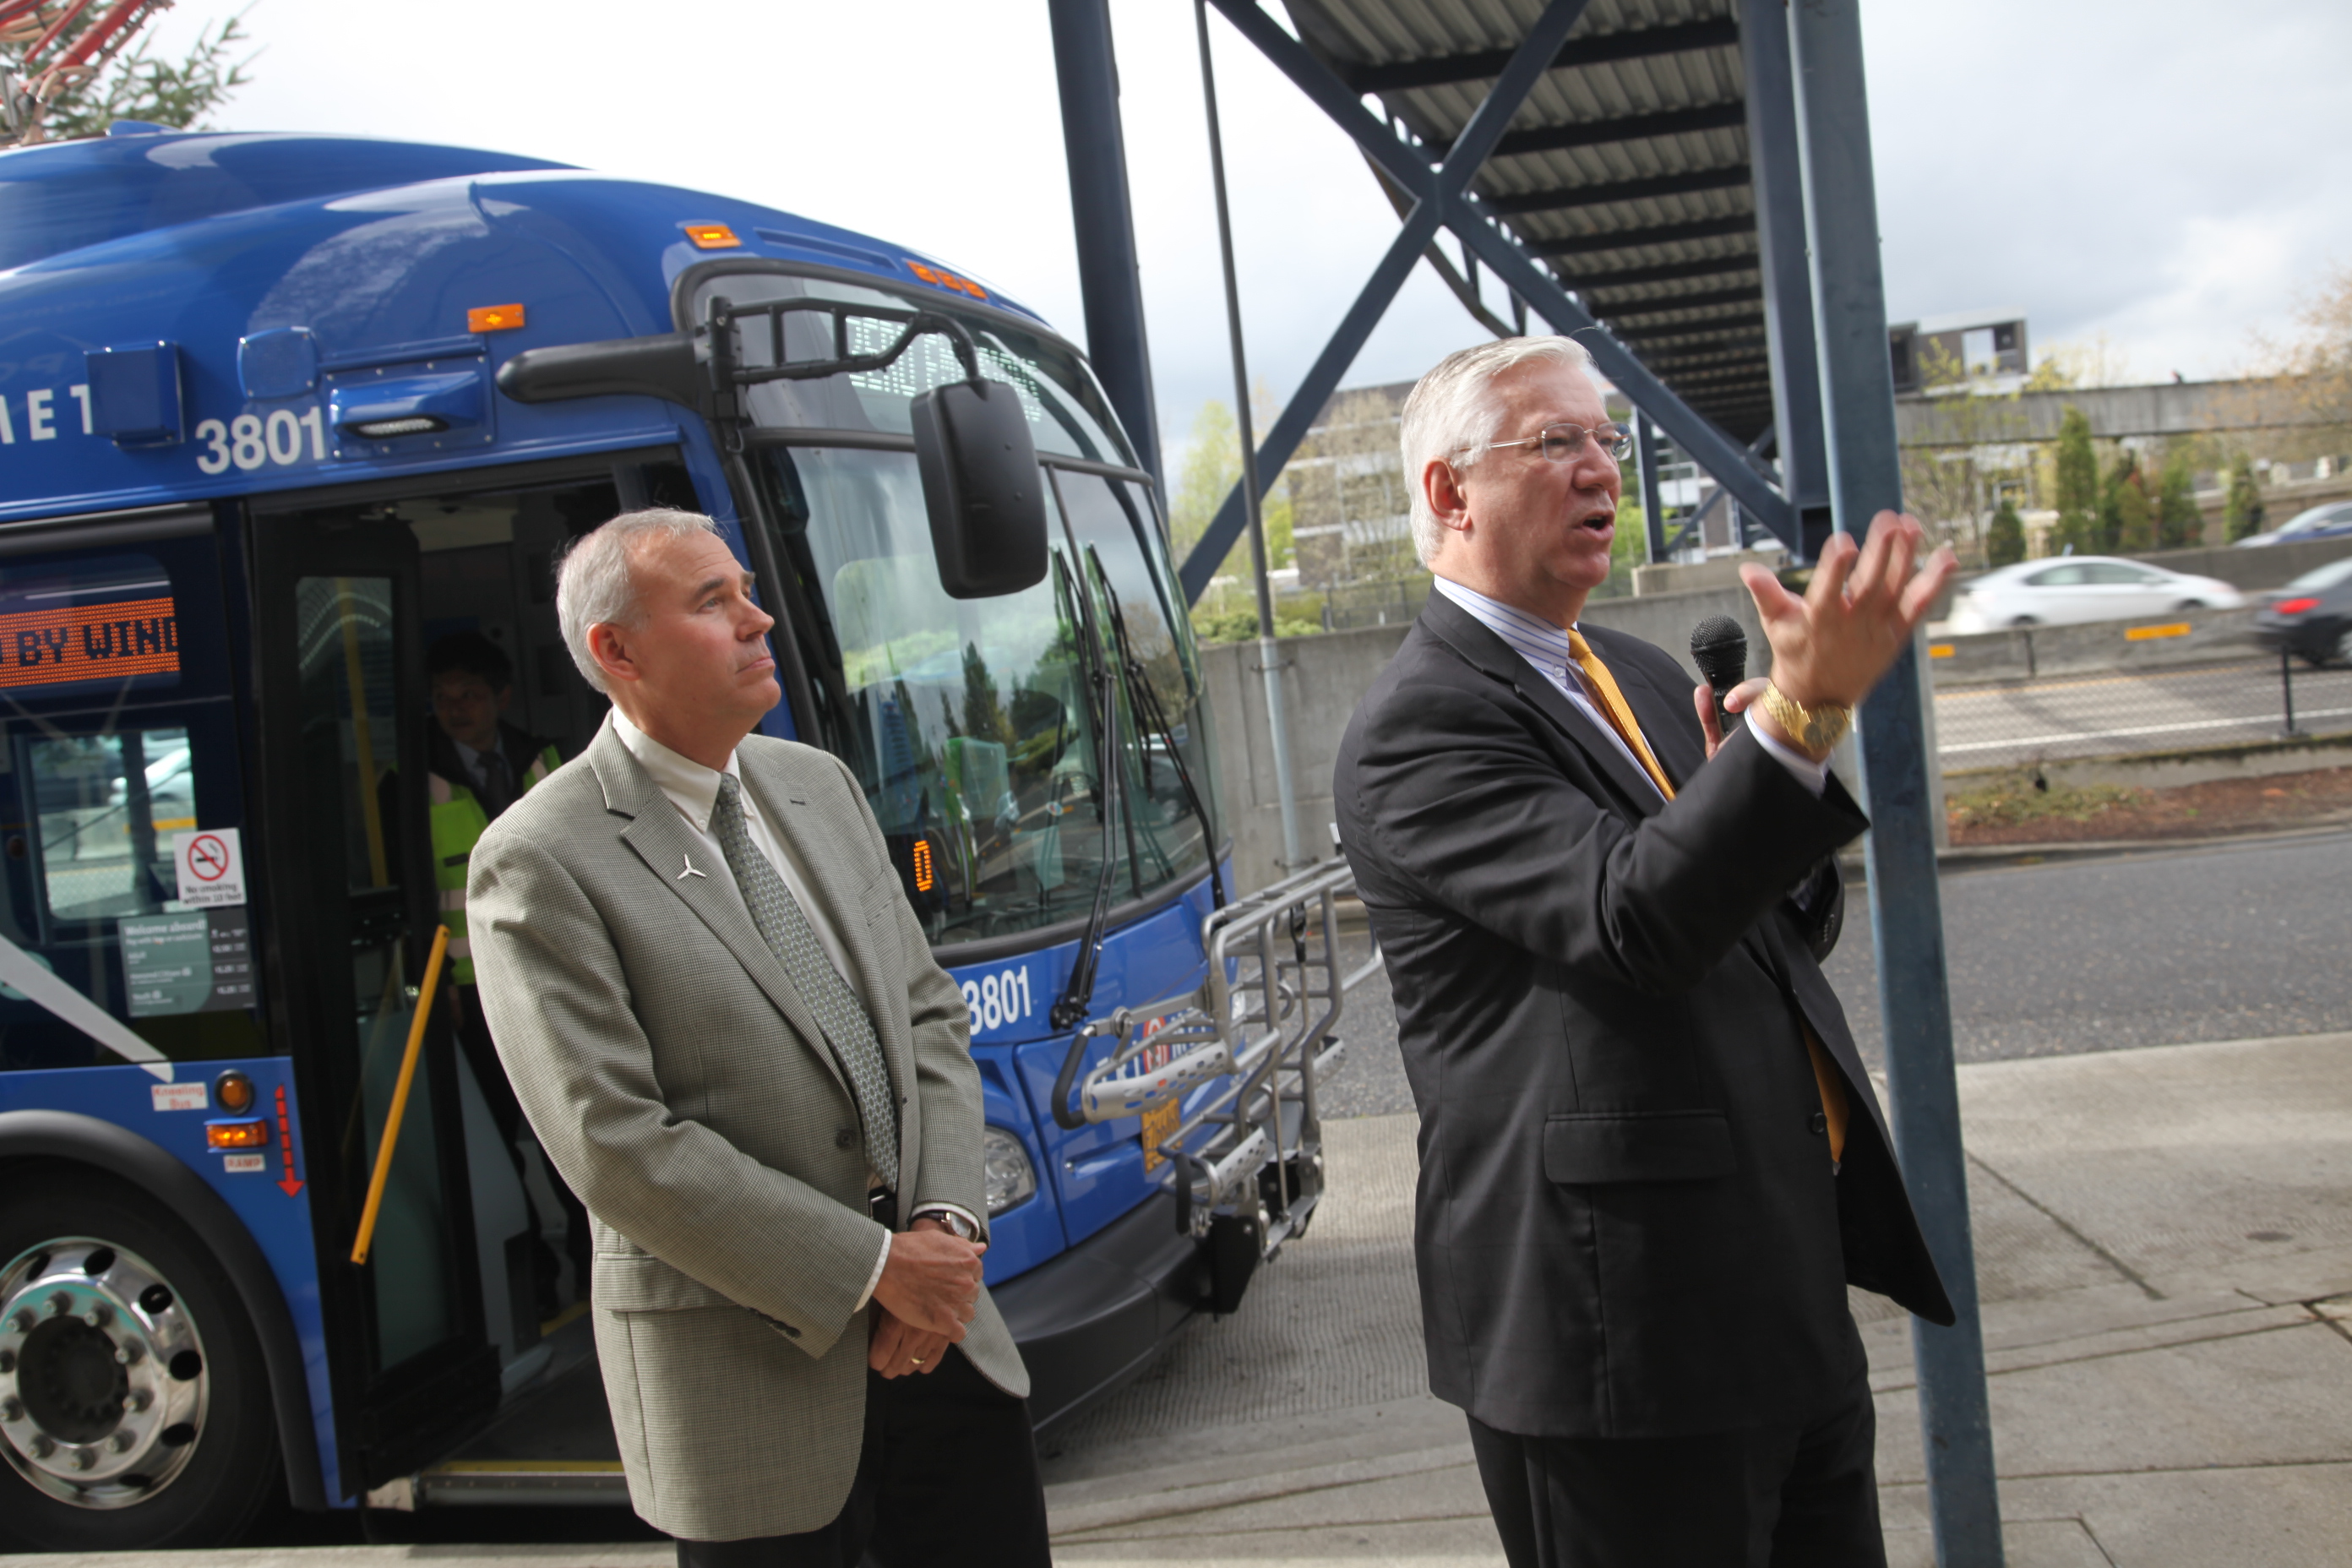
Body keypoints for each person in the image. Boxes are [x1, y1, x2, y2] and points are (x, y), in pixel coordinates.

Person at [1331, 337, 1958, 1567]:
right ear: (1451, 493)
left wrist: (1767, 787)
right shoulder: (1419, 728)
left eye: (1607, 439)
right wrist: (1801, 719)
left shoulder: (1633, 671)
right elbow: (1636, 922)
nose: (1599, 470)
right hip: (1621, 1341)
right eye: (1555, 441)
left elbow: (1767, 931)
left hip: (1780, 1292)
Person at [464, 509, 1047, 1565]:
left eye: (744, 589)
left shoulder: (814, 784)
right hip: (752, 1393)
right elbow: (616, 1143)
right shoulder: (539, 858)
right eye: (711, 600)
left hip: (946, 1344)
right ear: (616, 650)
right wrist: (876, 1266)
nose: (757, 616)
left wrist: (947, 1227)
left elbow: (923, 1011)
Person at [415, 630, 584, 1314]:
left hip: (549, 975)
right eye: (445, 698)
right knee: (497, 1141)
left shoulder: (542, 759)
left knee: (564, 1136)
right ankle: (533, 1286)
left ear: (501, 698)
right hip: (465, 993)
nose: (457, 709)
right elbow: (418, 893)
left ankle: (589, 1263)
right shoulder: (410, 777)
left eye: (471, 696)